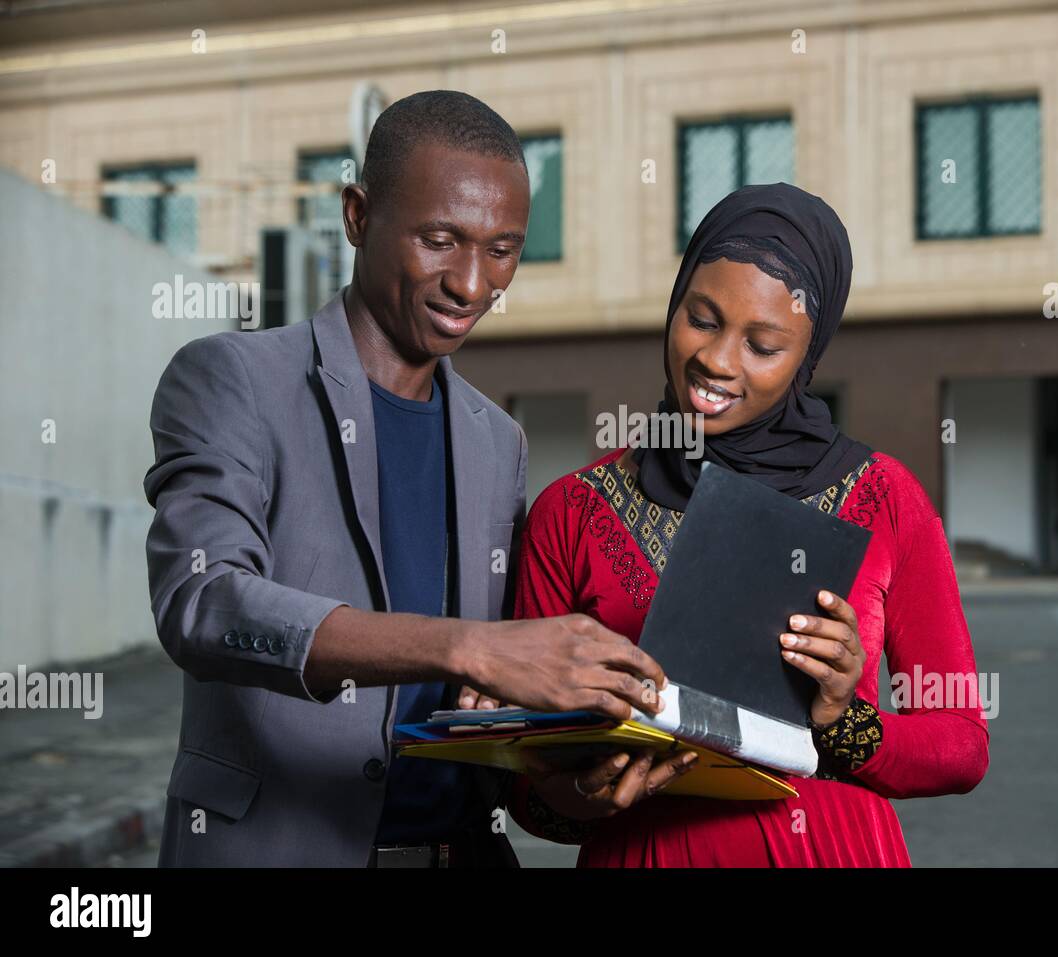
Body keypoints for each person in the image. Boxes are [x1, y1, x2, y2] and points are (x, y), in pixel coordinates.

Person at [142, 90, 671, 868]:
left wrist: (573, 775)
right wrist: (469, 648)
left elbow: (492, 701)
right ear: (357, 215)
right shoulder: (233, 379)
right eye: (441, 239)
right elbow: (203, 602)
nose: (471, 282)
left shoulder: (499, 440)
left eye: (503, 249)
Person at [500, 183, 989, 866]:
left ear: (807, 358)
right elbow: (529, 791)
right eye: (701, 319)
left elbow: (963, 746)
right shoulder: (572, 512)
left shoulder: (887, 498)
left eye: (763, 344)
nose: (718, 361)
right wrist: (586, 790)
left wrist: (844, 717)